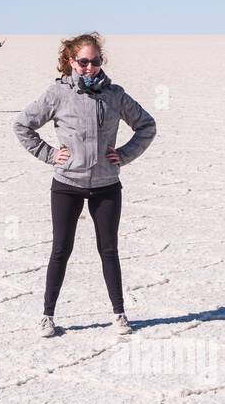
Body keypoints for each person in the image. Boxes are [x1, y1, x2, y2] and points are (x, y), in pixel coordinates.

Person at [12, 31, 156, 338]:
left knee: (109, 250)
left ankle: (119, 314)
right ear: (70, 61)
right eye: (83, 62)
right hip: (67, 184)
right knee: (61, 250)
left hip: (106, 185)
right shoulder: (58, 94)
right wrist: (50, 154)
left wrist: (125, 155)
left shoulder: (115, 95)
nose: (90, 67)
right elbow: (22, 125)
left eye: (95, 61)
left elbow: (147, 126)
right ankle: (47, 316)